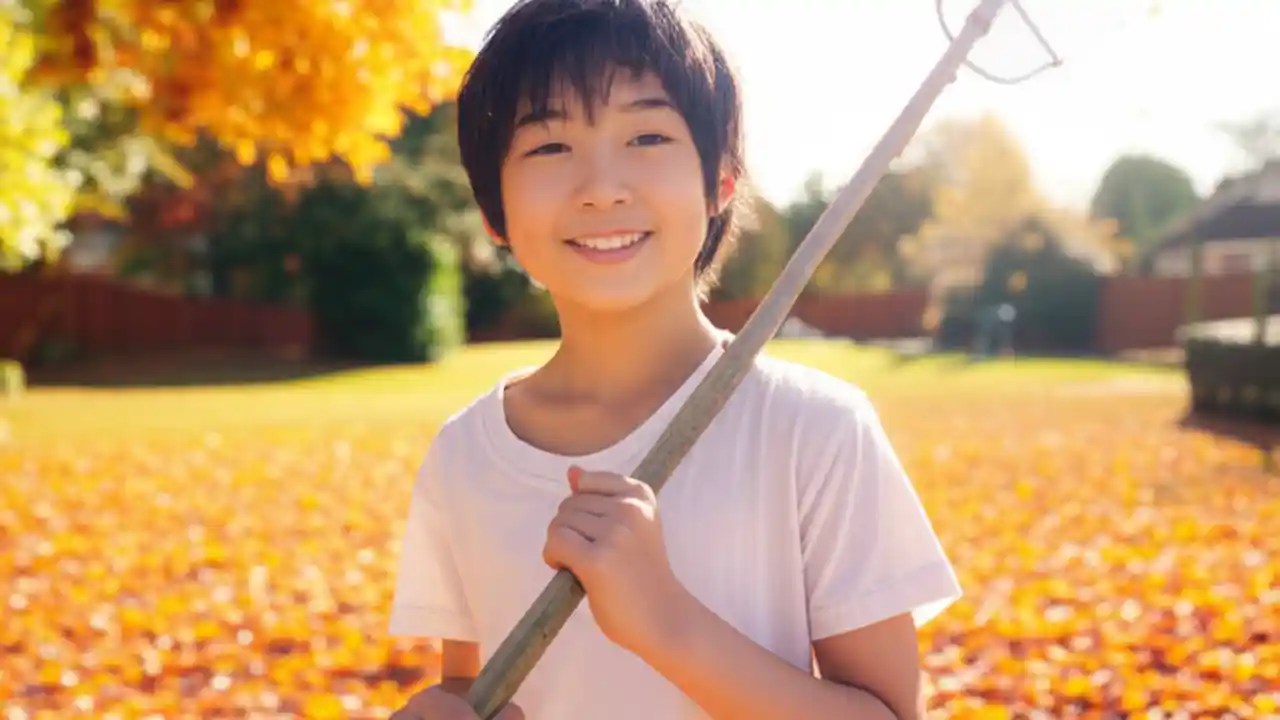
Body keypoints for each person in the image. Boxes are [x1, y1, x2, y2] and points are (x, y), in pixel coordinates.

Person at [387, 1, 962, 717]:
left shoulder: (812, 431)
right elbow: (472, 691)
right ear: (493, 213)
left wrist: (665, 624)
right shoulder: (467, 456)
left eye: (647, 135)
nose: (602, 187)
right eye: (549, 147)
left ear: (721, 177)